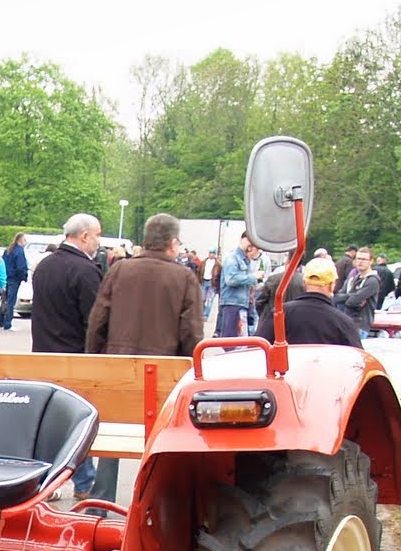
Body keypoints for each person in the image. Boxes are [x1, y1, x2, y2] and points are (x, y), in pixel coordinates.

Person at [31, 214, 111, 497]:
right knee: (80, 421)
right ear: (85, 236)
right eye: (98, 235)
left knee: (50, 420)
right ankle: (84, 483)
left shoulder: (43, 266)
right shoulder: (86, 271)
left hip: (42, 352)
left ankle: (48, 481)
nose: (99, 242)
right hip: (75, 356)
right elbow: (95, 321)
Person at [86, 213, 203, 358]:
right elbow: (191, 331)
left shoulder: (119, 270)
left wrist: (94, 357)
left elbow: (98, 321)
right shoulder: (185, 277)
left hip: (118, 362)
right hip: (164, 366)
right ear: (173, 243)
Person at [283, 256, 364, 347]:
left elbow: (264, 348)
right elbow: (358, 357)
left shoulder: (280, 314)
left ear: (304, 283)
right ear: (332, 285)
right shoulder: (343, 322)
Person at [216, 232, 256, 337]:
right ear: (242, 239)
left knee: (240, 340)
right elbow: (231, 279)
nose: (251, 245)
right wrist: (253, 277)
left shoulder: (245, 260)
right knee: (230, 340)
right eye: (249, 241)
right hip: (232, 303)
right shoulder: (232, 258)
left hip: (241, 303)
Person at [336, 246, 380, 337]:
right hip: (346, 324)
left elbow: (352, 302)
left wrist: (348, 298)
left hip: (360, 326)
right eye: (358, 259)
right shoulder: (352, 279)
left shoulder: (373, 280)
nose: (360, 261)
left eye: (364, 259)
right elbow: (337, 298)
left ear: (371, 261)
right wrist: (352, 296)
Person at [0, 234, 29, 330]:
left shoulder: (8, 250)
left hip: (6, 277)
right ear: (20, 240)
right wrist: (24, 276)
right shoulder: (19, 252)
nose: (26, 242)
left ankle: (2, 321)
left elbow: (3, 264)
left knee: (4, 300)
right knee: (11, 301)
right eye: (25, 239)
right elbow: (21, 267)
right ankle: (8, 323)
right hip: (14, 279)